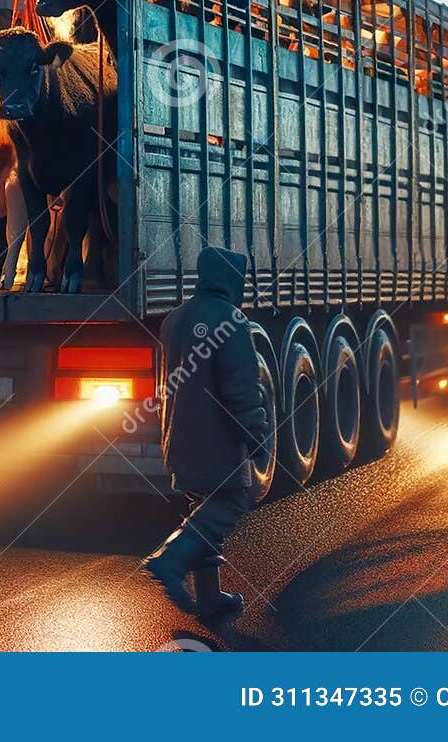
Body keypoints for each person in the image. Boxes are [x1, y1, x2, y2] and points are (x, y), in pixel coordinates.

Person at [142, 246, 268, 622]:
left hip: (179, 433)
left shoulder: (175, 317)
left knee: (202, 506)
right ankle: (170, 560)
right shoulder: (231, 320)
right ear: (231, 279)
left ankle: (209, 597)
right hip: (216, 437)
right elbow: (240, 387)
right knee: (230, 501)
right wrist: (256, 432)